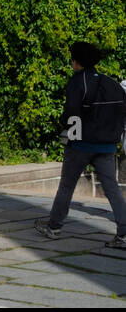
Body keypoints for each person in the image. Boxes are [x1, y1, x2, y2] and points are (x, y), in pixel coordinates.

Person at [36, 42, 126, 247]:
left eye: (73, 59)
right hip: (107, 147)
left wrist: (65, 136)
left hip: (81, 145)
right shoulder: (110, 83)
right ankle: (123, 233)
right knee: (112, 189)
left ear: (78, 62)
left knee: (66, 186)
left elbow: (71, 114)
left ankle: (54, 227)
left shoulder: (78, 82)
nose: (71, 62)